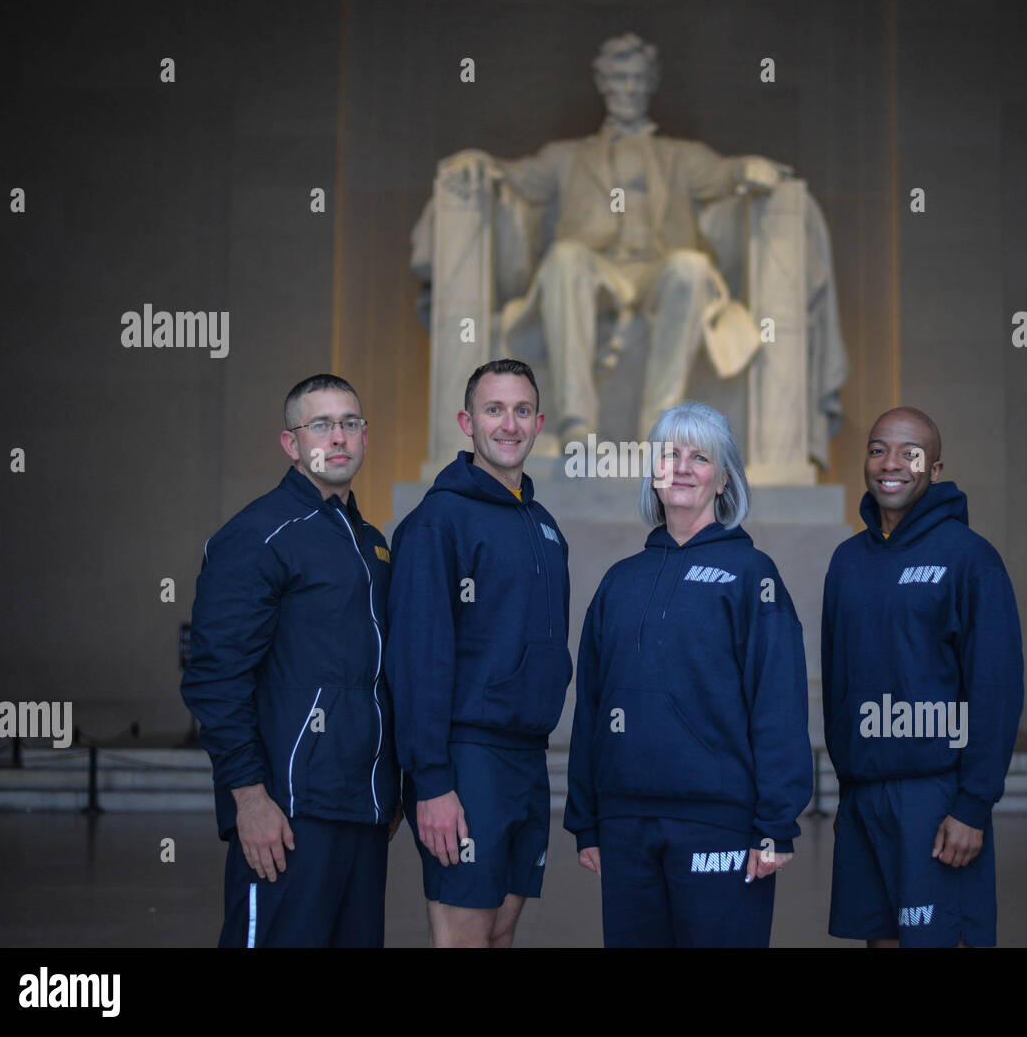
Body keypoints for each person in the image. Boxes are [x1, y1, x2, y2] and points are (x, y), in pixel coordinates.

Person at [438, 33, 792, 443]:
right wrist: (479, 161)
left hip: (657, 271)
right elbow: (516, 177)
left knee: (692, 268)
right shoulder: (565, 157)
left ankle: (661, 425)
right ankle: (577, 422)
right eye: (620, 77)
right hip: (595, 271)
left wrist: (751, 167)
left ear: (652, 83)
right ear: (602, 82)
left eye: (639, 79)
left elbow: (724, 173)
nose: (629, 88)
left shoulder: (681, 155)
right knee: (566, 258)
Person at [565, 401, 812, 947]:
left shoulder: (752, 576)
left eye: (700, 457)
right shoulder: (619, 582)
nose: (681, 467)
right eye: (668, 454)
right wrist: (587, 818)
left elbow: (779, 703)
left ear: (724, 478)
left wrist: (775, 823)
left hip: (719, 823)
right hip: (627, 825)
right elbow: (593, 707)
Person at [181, 374, 400, 948]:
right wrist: (248, 799)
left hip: (362, 807)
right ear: (291, 443)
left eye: (351, 422)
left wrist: (391, 785)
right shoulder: (258, 534)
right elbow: (214, 675)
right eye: (321, 424)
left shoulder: (370, 541)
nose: (339, 436)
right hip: (287, 810)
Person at [386, 358, 572, 948]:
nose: (509, 424)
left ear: (539, 421)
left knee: (499, 935)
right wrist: (432, 781)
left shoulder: (544, 526)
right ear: (467, 421)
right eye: (494, 410)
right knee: (464, 939)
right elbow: (417, 661)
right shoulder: (436, 523)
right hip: (466, 762)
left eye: (521, 411)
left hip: (526, 760)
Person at [821, 407, 1024, 947]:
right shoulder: (847, 562)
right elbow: (839, 685)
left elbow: (997, 690)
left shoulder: (970, 559)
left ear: (934, 469)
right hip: (863, 800)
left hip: (936, 801)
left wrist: (972, 805)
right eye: (877, 449)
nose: (891, 463)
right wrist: (848, 790)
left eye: (909, 452)